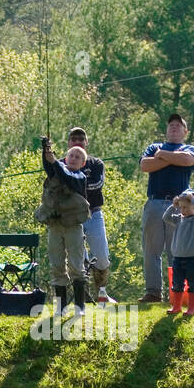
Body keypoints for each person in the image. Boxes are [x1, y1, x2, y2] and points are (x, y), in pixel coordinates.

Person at [139, 114, 194, 303]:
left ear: (185, 132)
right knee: (151, 250)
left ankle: (178, 293)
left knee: (178, 251)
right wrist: (172, 158)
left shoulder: (189, 148)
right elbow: (145, 165)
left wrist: (163, 156)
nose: (173, 127)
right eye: (171, 124)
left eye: (178, 125)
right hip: (154, 203)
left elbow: (188, 160)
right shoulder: (153, 147)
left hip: (179, 204)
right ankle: (153, 292)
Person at [37, 138, 91, 317]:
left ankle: (80, 306)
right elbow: (49, 167)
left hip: (73, 227)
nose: (74, 158)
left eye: (78, 157)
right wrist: (46, 150)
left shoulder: (79, 177)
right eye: (71, 155)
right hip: (55, 226)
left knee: (77, 266)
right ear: (66, 158)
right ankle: (60, 307)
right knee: (56, 265)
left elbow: (67, 178)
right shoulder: (57, 171)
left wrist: (54, 162)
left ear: (83, 163)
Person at [66, 127, 114, 303]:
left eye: (81, 139)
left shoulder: (96, 164)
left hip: (94, 213)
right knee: (78, 258)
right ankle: (82, 294)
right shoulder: (62, 165)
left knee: (101, 255)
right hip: (70, 217)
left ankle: (102, 292)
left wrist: (75, 184)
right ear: (68, 143)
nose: (77, 141)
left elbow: (97, 184)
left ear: (86, 143)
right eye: (73, 139)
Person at [163, 189, 194, 317]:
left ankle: (191, 308)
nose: (183, 210)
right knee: (177, 284)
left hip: (192, 259)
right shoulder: (178, 219)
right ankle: (176, 307)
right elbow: (165, 217)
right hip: (178, 259)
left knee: (193, 284)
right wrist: (173, 206)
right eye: (181, 207)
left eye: (186, 207)